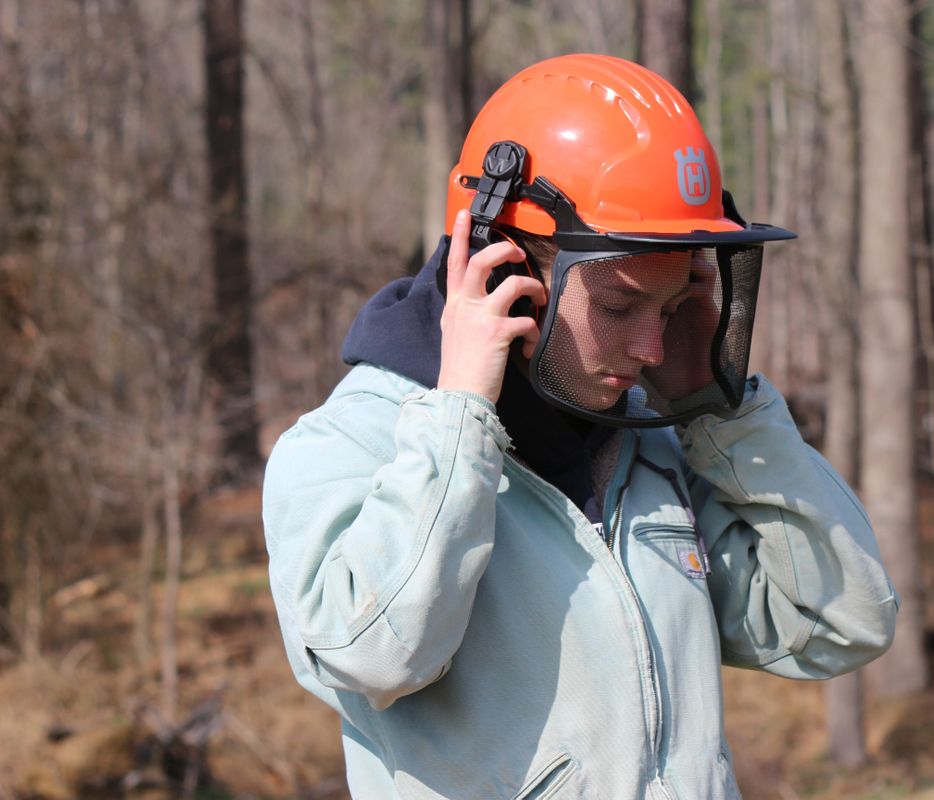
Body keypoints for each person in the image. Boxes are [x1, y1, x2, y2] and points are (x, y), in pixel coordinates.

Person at [262, 53, 897, 800]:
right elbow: (370, 655)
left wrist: (718, 412)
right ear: (504, 270)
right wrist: (461, 421)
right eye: (621, 308)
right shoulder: (348, 445)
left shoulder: (654, 444)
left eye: (667, 310)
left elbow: (842, 621)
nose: (651, 349)